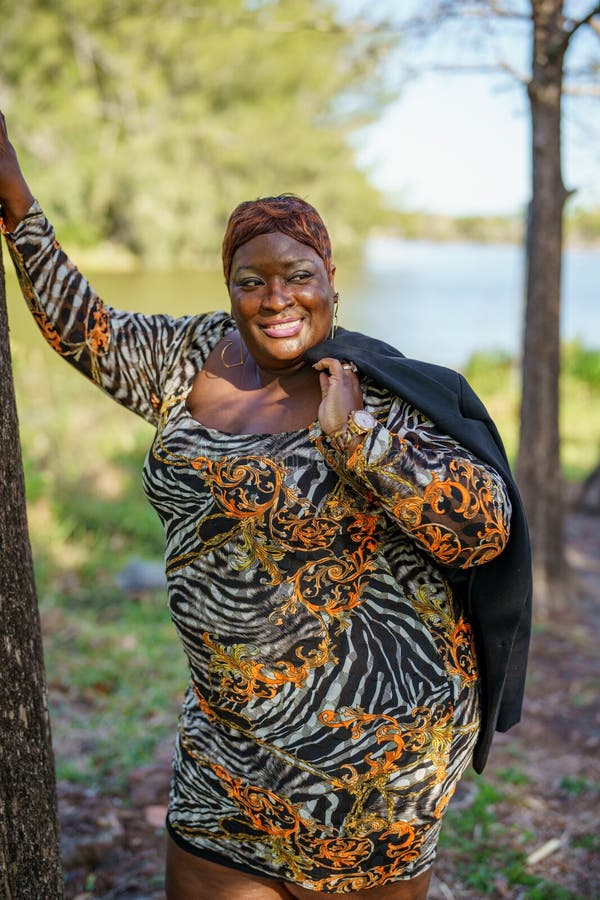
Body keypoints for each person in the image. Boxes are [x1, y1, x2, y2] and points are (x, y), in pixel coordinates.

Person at [0, 111, 531, 899]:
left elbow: (483, 530)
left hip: (378, 760)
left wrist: (361, 440)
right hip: (229, 746)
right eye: (251, 280)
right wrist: (14, 196)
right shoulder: (189, 357)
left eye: (298, 275)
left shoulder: (379, 389)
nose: (275, 298)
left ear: (331, 281)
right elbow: (86, 328)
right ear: (230, 289)